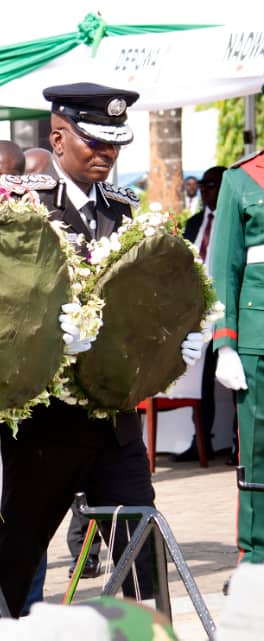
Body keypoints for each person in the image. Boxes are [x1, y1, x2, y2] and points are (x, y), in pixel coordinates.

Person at [0, 82, 206, 616]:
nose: (107, 153)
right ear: (58, 138)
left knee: (143, 556)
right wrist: (51, 336)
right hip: (46, 425)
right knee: (18, 559)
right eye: (95, 141)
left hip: (114, 424)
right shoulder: (24, 206)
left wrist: (176, 336)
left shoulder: (123, 209)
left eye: (114, 143)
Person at [211, 145, 264, 565]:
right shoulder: (241, 179)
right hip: (257, 335)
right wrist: (225, 343)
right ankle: (256, 554)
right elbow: (223, 269)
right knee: (257, 451)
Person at [173, 165, 232, 464]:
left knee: (233, 375)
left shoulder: (235, 220)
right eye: (203, 184)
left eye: (212, 184)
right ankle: (201, 442)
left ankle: (237, 443)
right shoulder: (195, 222)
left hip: (228, 307)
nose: (205, 189)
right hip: (197, 311)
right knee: (202, 379)